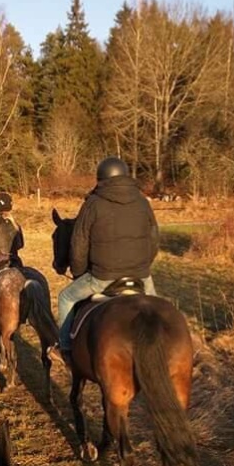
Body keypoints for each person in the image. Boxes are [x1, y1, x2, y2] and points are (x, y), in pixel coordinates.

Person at [49, 156, 159, 366]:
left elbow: (78, 245)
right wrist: (143, 265)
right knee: (158, 312)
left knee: (65, 298)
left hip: (103, 277)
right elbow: (154, 239)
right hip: (141, 276)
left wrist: (80, 273)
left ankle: (65, 349)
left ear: (101, 179)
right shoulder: (143, 202)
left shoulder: (92, 204)